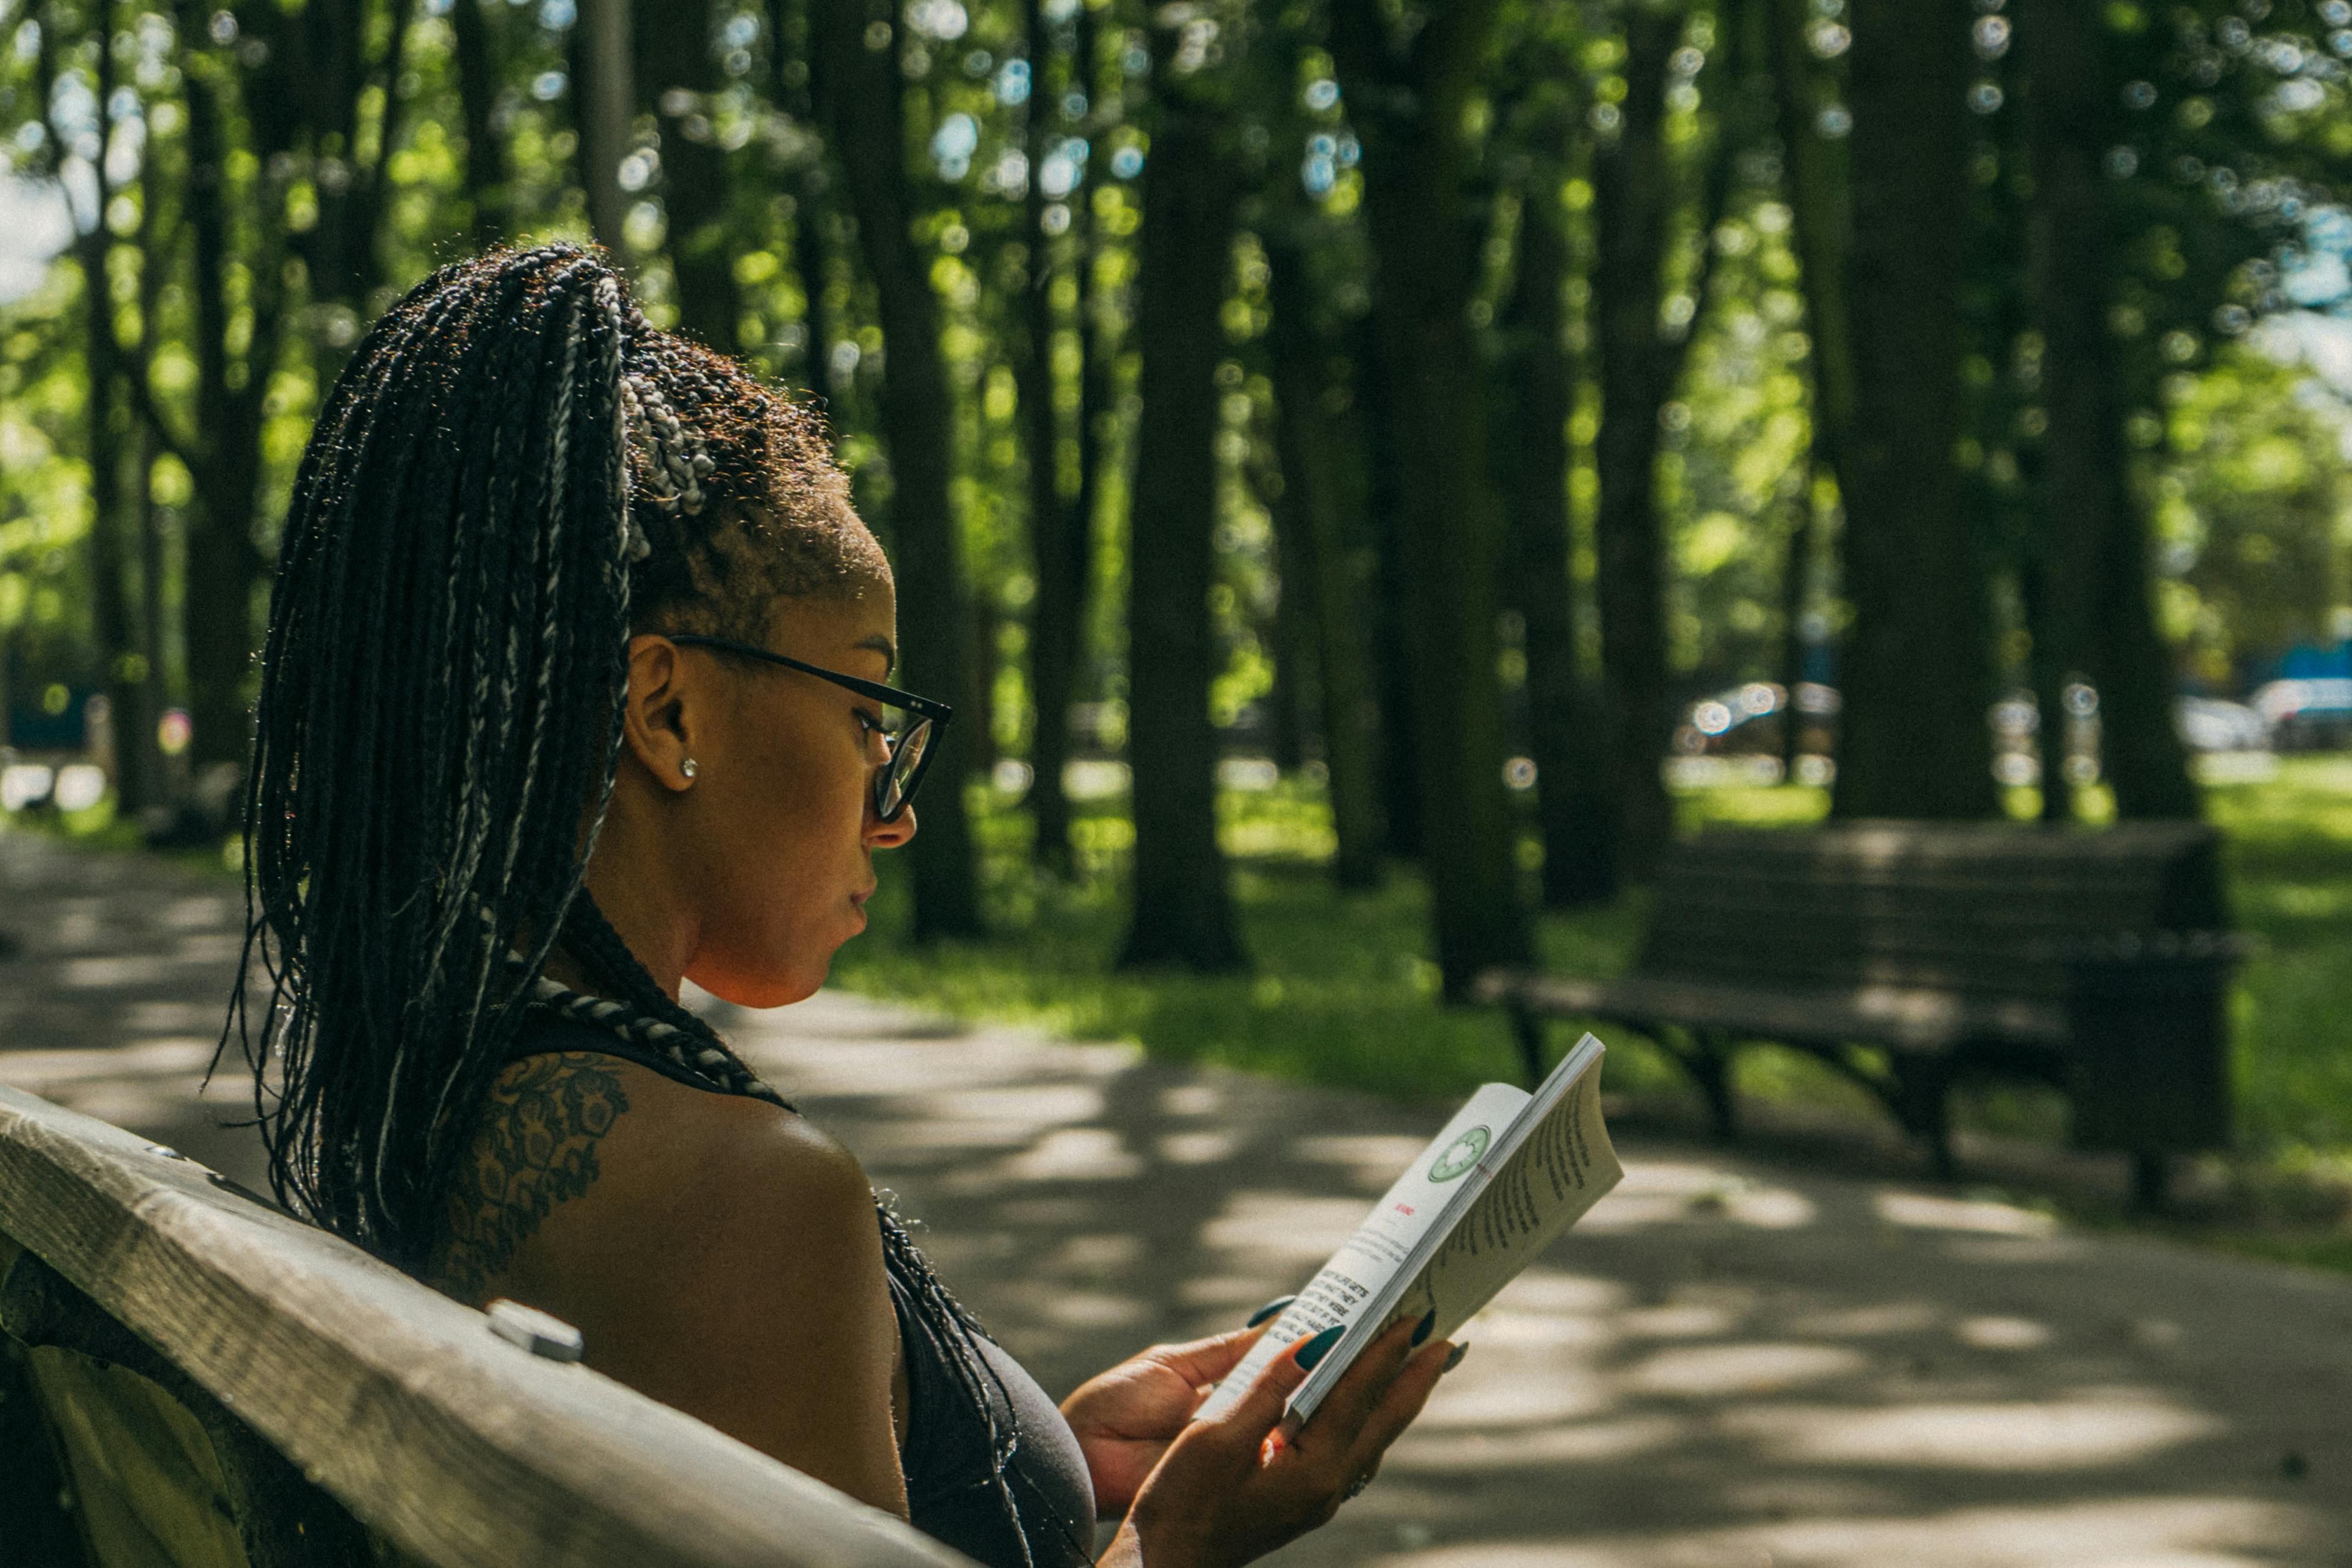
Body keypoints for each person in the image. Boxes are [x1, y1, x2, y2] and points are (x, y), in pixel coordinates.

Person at [223, 246, 1455, 1567]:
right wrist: (1181, 1541)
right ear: (668, 709)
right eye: (865, 708)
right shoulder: (738, 1196)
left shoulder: (435, 1087)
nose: (894, 807)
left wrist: (1028, 1450)